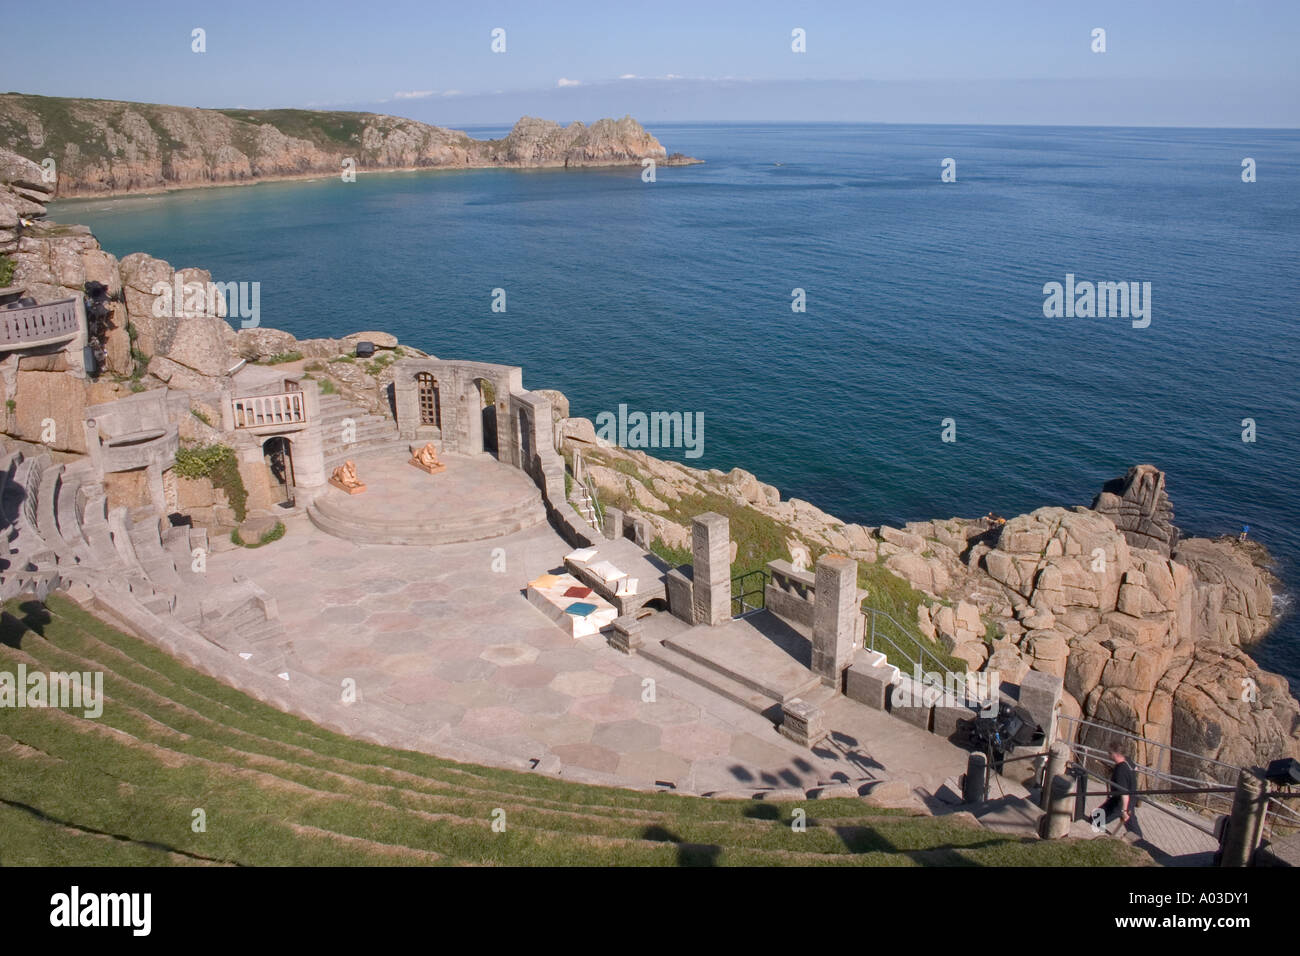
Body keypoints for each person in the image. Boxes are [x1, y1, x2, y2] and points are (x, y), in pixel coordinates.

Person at [1100, 747, 1143, 839]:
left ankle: (1138, 839)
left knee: (1126, 816)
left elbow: (1124, 794)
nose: (1109, 756)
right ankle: (1138, 837)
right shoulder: (1128, 761)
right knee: (1130, 819)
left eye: (1110, 754)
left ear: (1116, 754)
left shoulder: (1121, 771)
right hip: (1125, 798)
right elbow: (1136, 768)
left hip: (1122, 801)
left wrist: (1123, 810)